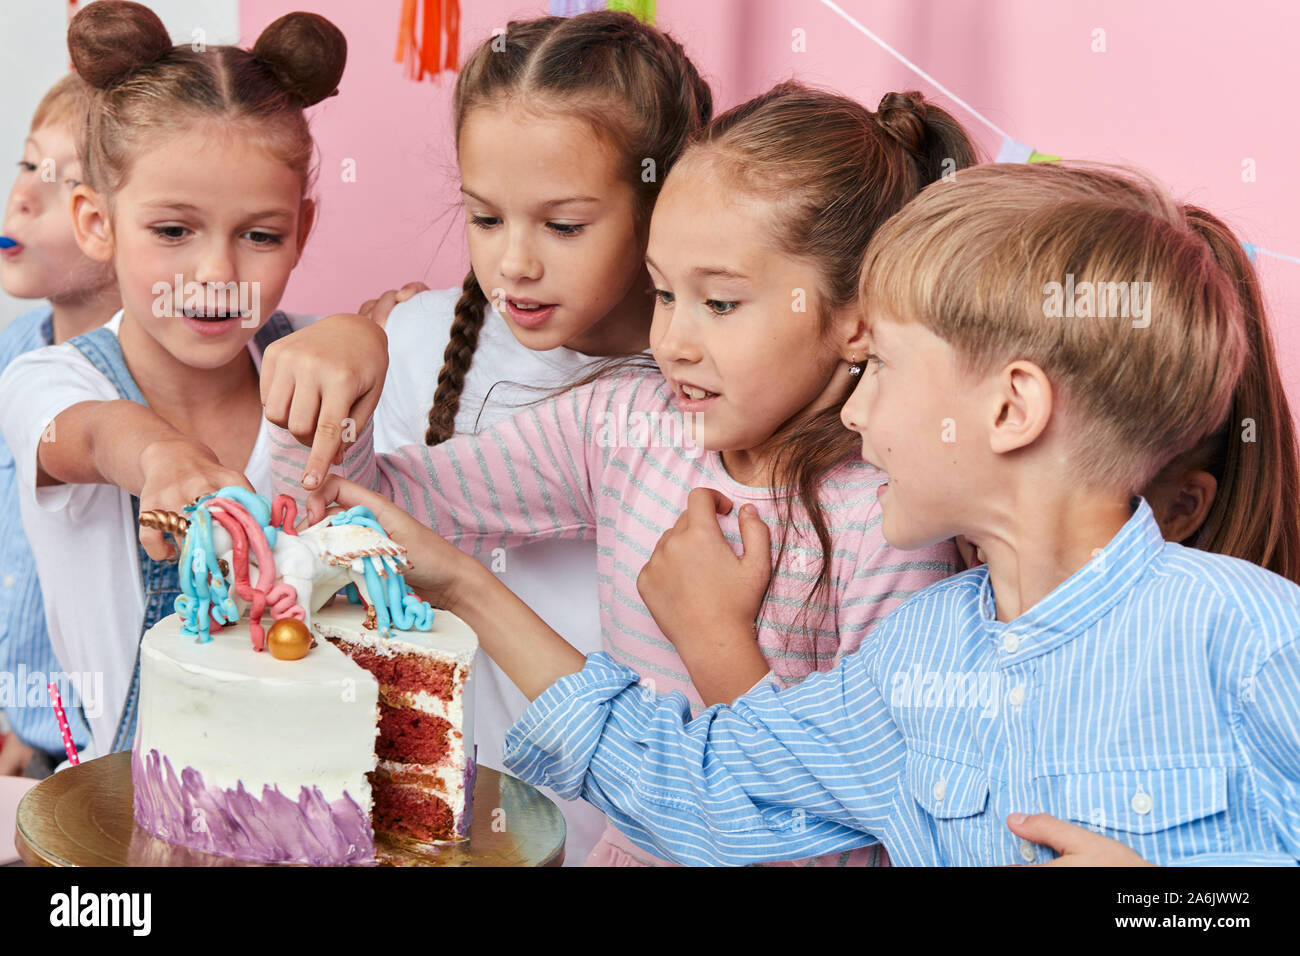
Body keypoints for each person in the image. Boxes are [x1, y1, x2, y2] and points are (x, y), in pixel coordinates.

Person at [315, 163, 1300, 865]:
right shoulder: (914, 657)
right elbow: (695, 786)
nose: (856, 407)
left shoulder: (1253, 635)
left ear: (1009, 409)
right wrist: (466, 586)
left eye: (881, 369)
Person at [287, 81, 979, 865]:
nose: (673, 341)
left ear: (857, 320)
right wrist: (341, 375)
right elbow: (375, 508)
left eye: (719, 302)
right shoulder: (628, 428)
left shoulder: (892, 524)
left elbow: (839, 826)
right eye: (662, 291)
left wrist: (716, 638)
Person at [0, 1, 346, 757]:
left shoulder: (322, 372)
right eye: (172, 230)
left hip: (314, 794)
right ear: (98, 223)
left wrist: (368, 337)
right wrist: (159, 457)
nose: (217, 273)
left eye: (261, 235)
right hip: (123, 817)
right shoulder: (45, 380)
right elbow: (89, 434)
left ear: (303, 231)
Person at [0, 73, 119, 777]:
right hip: (32, 745)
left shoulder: (163, 380)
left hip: (112, 760)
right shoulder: (12, 351)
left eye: (63, 181)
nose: (21, 197)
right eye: (26, 164)